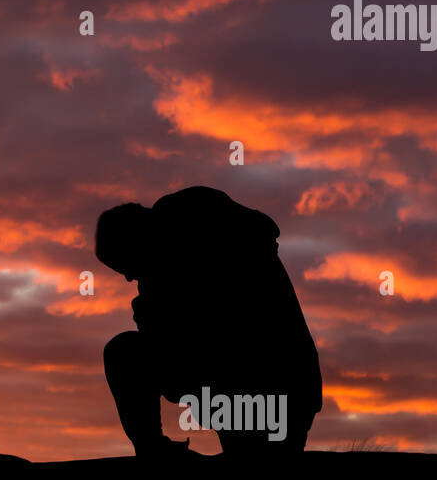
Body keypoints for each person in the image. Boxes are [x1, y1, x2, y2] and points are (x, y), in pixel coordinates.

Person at [95, 186, 322, 457]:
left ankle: (153, 452)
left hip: (274, 386)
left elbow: (203, 326)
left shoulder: (190, 228)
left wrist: (155, 314)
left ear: (134, 240)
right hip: (266, 392)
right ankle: (154, 450)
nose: (129, 278)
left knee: (124, 352)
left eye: (123, 264)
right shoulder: (166, 269)